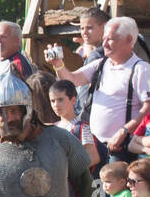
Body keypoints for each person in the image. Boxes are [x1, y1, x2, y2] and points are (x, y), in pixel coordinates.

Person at [46, 16, 150, 162]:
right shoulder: (101, 64)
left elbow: (148, 106)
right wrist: (58, 64)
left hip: (120, 148)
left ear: (128, 40)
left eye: (111, 39)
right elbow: (71, 80)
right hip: (96, 146)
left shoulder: (141, 69)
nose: (105, 43)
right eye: (104, 38)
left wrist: (124, 131)